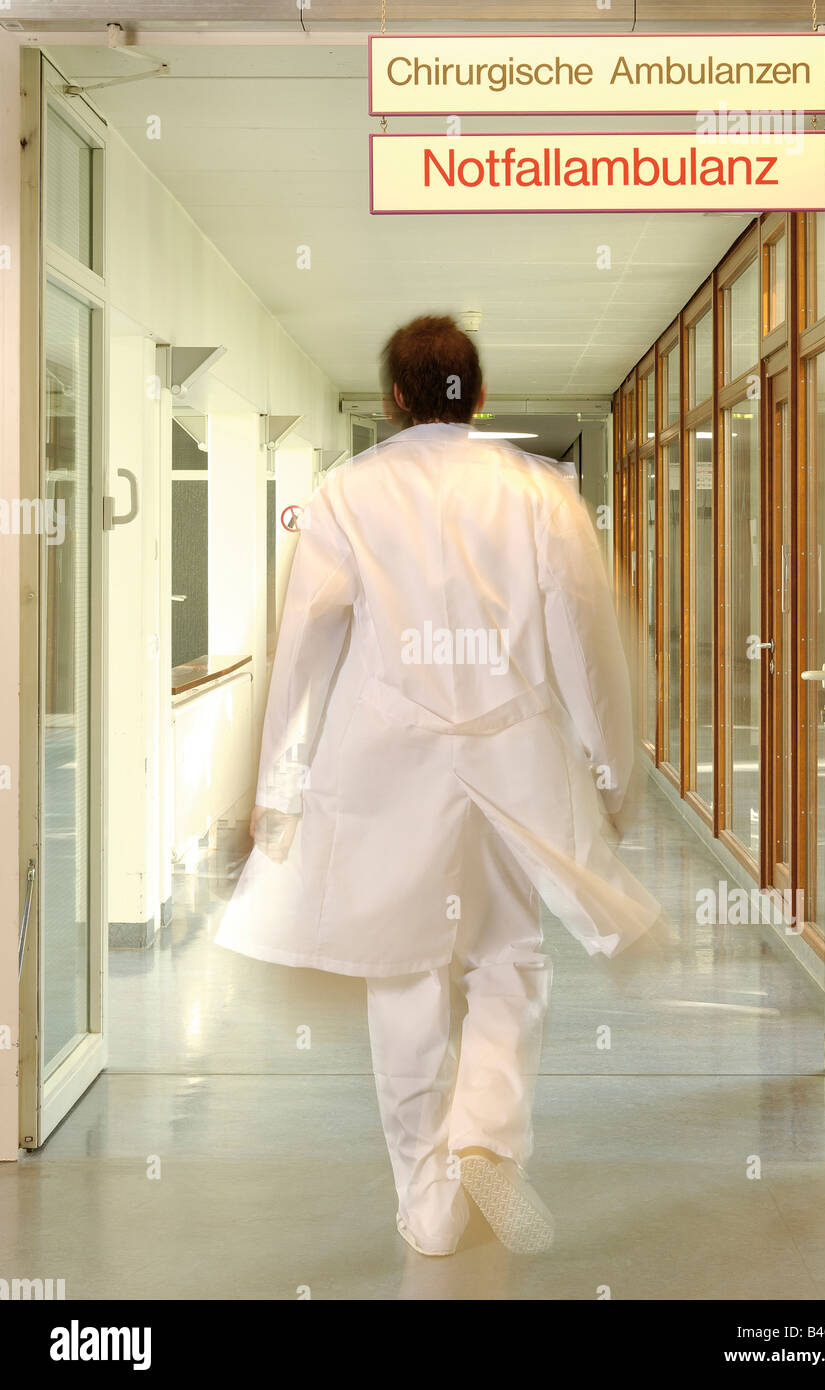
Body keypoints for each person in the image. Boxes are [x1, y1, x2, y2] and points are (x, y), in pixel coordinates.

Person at [215, 314, 662, 1258]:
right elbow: (584, 645)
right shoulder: (540, 492)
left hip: (385, 767)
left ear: (393, 402)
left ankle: (427, 1205)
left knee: (405, 974)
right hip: (514, 759)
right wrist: (611, 772)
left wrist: (274, 786)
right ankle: (486, 1132)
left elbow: (301, 649)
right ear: (479, 397)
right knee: (510, 959)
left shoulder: (347, 494)